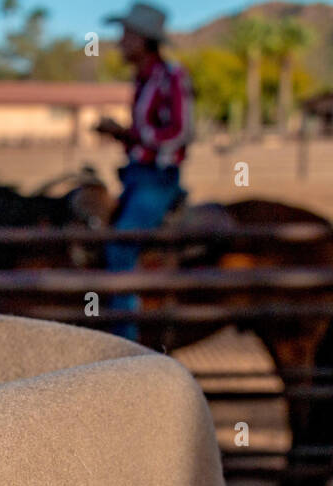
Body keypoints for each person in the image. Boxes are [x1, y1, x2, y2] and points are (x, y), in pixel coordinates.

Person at [96, 3, 194, 339]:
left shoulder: (172, 76)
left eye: (126, 35)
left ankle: (127, 342)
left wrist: (128, 134)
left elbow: (180, 131)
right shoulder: (143, 80)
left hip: (157, 179)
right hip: (137, 175)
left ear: (144, 40)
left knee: (121, 245)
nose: (120, 42)